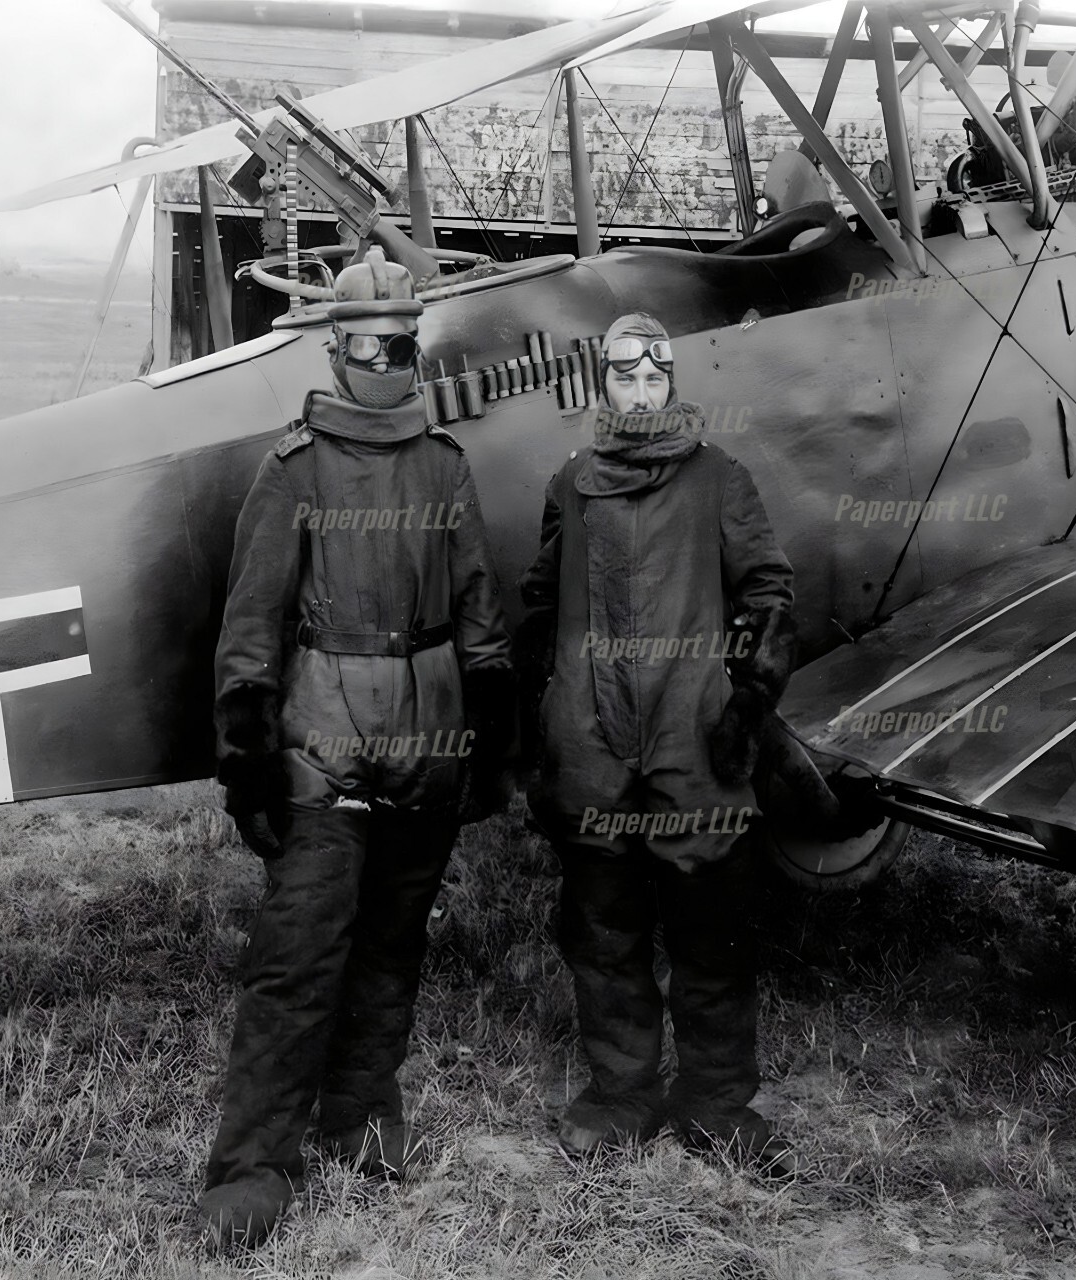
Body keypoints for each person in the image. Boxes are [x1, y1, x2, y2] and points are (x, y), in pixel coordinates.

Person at [203, 247, 514, 1246]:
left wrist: (486, 743)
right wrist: (247, 758)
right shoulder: (291, 468)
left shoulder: (444, 465)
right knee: (299, 956)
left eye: (401, 336)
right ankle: (251, 1166)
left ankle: (363, 1112)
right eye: (370, 337)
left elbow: (479, 618)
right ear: (335, 346)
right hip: (321, 751)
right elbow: (250, 629)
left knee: (392, 941)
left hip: (425, 744)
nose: (387, 352)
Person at [517, 311, 799, 1176]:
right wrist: (540, 708)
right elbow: (539, 601)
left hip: (691, 748)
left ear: (669, 382)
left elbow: (767, 594)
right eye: (623, 378)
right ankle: (622, 1095)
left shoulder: (719, 479)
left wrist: (746, 700)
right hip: (595, 752)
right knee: (603, 935)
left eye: (653, 378)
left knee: (711, 935)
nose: (639, 393)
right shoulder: (572, 482)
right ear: (603, 383)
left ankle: (716, 1100)